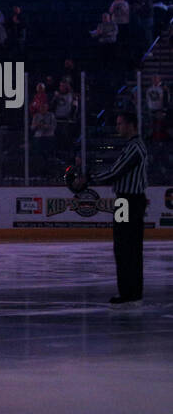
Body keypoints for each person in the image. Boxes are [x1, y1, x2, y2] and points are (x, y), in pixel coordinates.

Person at [70, 111, 147, 307]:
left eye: (121, 124)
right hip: (126, 200)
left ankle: (130, 293)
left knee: (126, 247)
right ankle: (130, 292)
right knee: (125, 247)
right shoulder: (132, 147)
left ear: (131, 125)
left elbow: (115, 172)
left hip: (128, 201)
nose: (118, 127)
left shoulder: (135, 148)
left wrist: (88, 179)